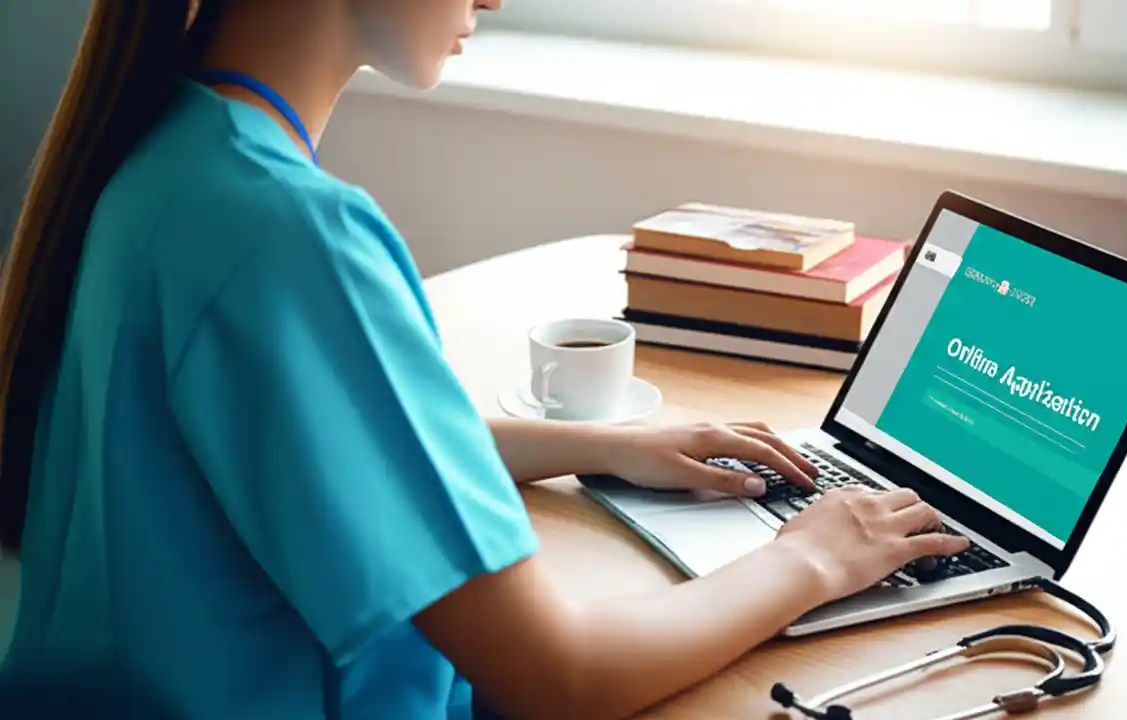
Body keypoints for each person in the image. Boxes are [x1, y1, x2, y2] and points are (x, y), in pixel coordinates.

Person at [0, 2, 968, 718]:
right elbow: (558, 678)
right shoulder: (289, 229)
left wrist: (595, 444)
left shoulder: (175, 153)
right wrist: (808, 557)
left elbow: (313, 447)